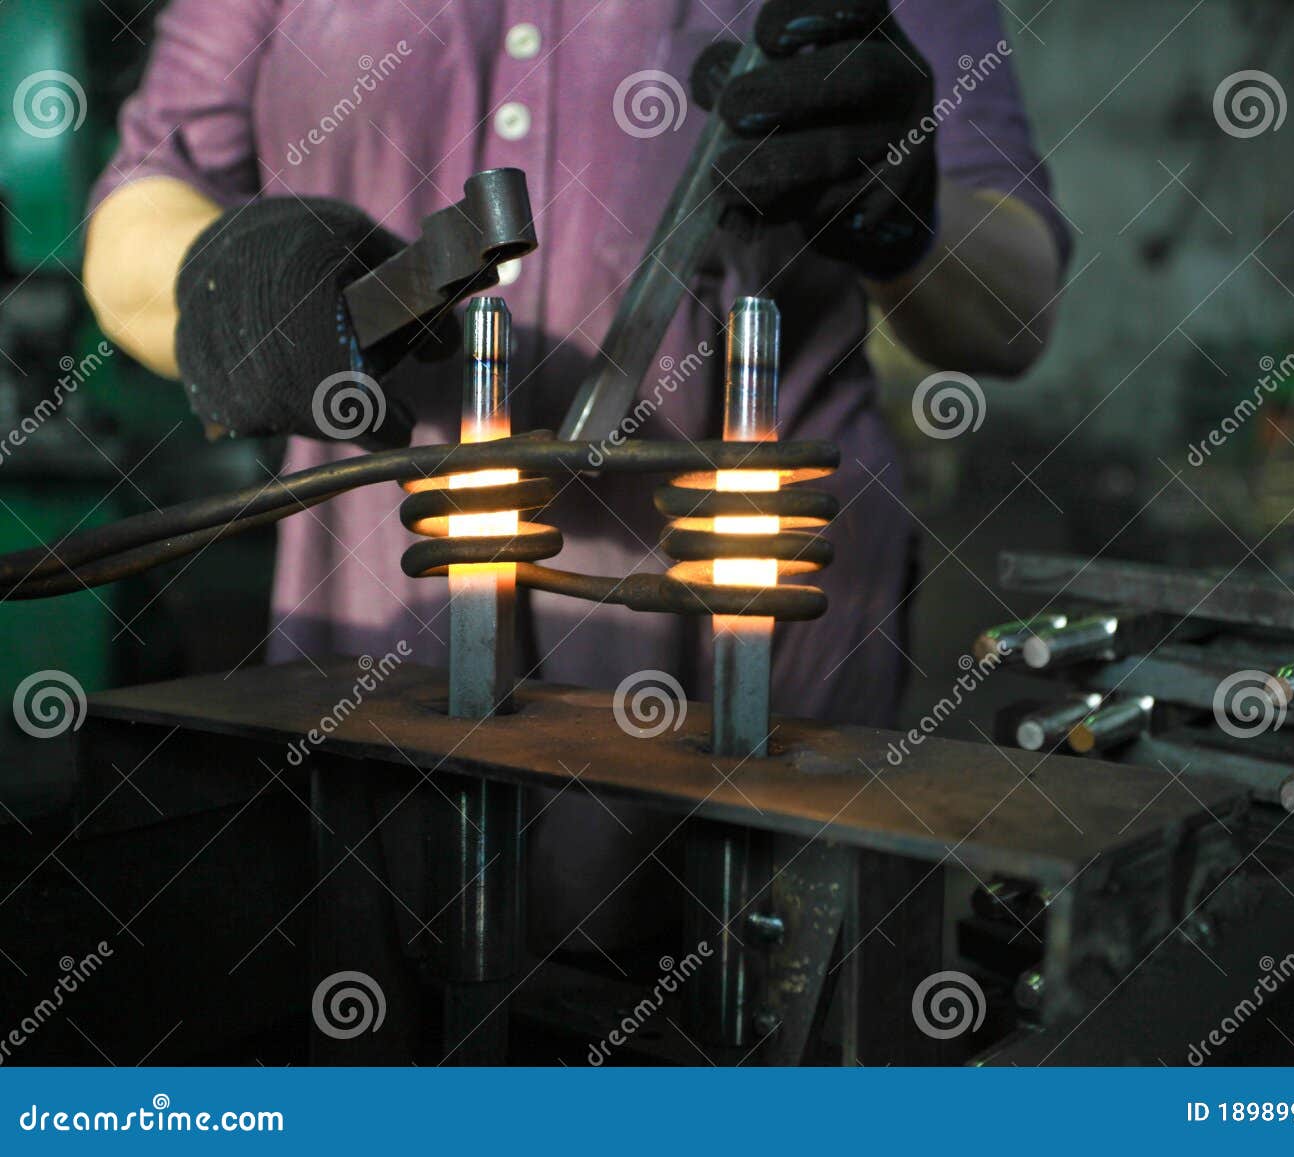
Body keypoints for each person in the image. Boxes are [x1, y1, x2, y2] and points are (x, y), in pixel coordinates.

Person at [83, 0, 1069, 947]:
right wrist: (227, 283)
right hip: (391, 610)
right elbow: (140, 206)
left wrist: (908, 213)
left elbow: (1014, 306)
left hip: (766, 630)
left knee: (756, 1027)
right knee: (393, 1004)